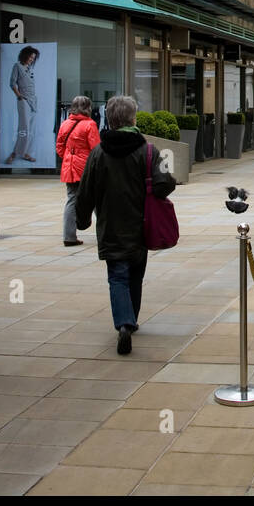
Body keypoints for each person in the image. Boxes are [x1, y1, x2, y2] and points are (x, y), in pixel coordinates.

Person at [75, 95, 176, 355]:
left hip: (110, 225)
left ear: (109, 119)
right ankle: (131, 321)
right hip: (140, 224)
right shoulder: (148, 150)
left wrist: (82, 219)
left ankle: (124, 322)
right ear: (133, 118)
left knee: (117, 276)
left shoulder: (98, 152)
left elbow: (85, 191)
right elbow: (166, 183)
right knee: (135, 274)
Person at [58, 95, 100, 247]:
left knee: (71, 200)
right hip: (86, 168)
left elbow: (59, 147)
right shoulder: (90, 125)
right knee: (97, 200)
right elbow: (96, 149)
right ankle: (104, 233)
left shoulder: (65, 124)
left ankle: (69, 236)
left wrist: (69, 157)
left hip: (69, 167)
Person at [6, 45, 40, 164]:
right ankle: (15, 153)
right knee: (24, 129)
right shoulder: (17, 66)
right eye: (30, 57)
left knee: (31, 129)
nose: (31, 59)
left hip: (33, 101)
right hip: (24, 100)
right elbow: (12, 83)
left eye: (33, 58)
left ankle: (26, 153)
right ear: (25, 55)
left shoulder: (29, 68)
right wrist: (19, 96)